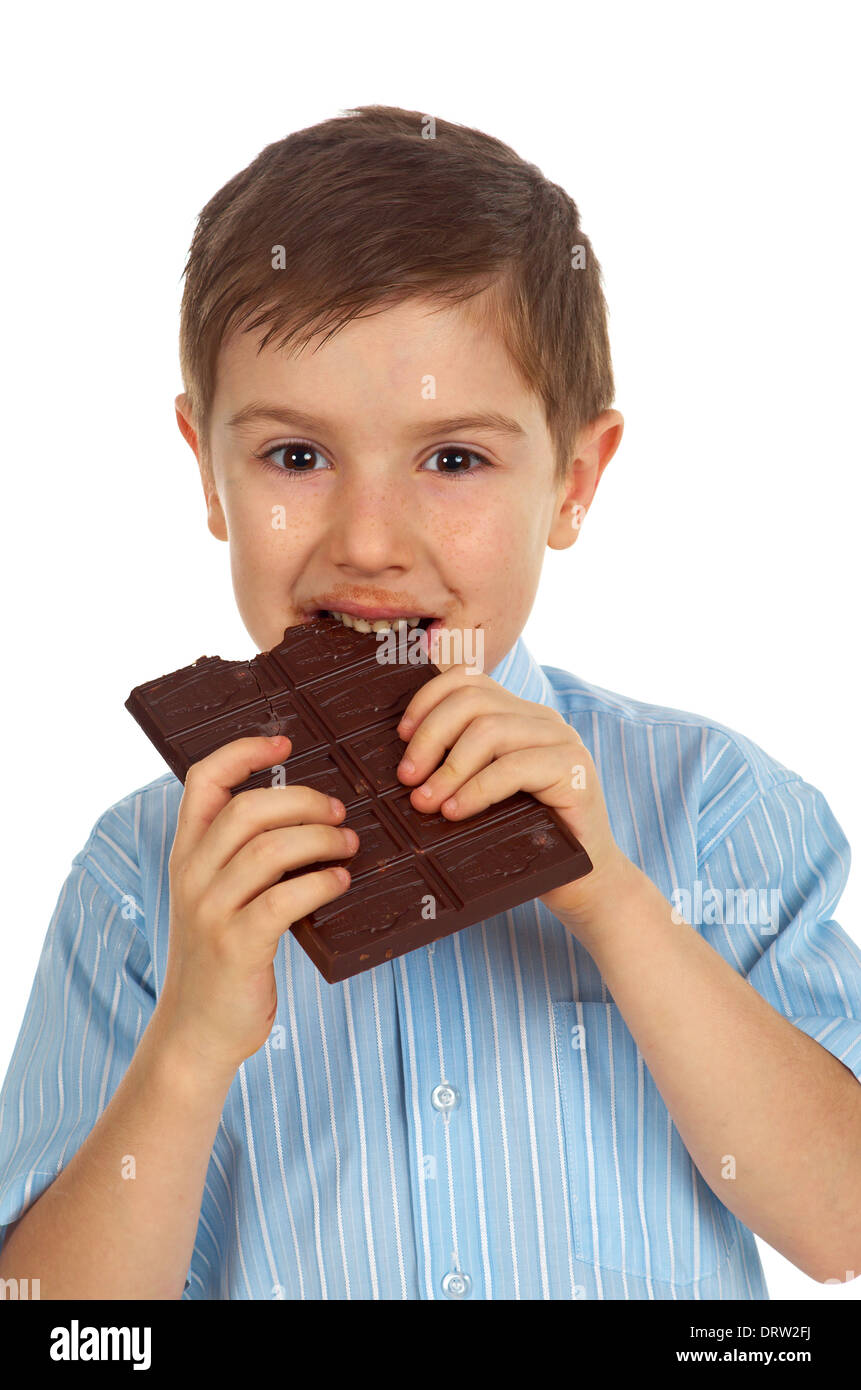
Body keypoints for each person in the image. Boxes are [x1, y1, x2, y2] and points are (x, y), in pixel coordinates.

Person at [1, 105, 859, 1301]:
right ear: (207, 470)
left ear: (575, 477)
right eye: (296, 457)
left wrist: (615, 903)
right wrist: (191, 1047)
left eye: (453, 459)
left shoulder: (716, 807)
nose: (368, 541)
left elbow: (844, 1225)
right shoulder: (139, 878)